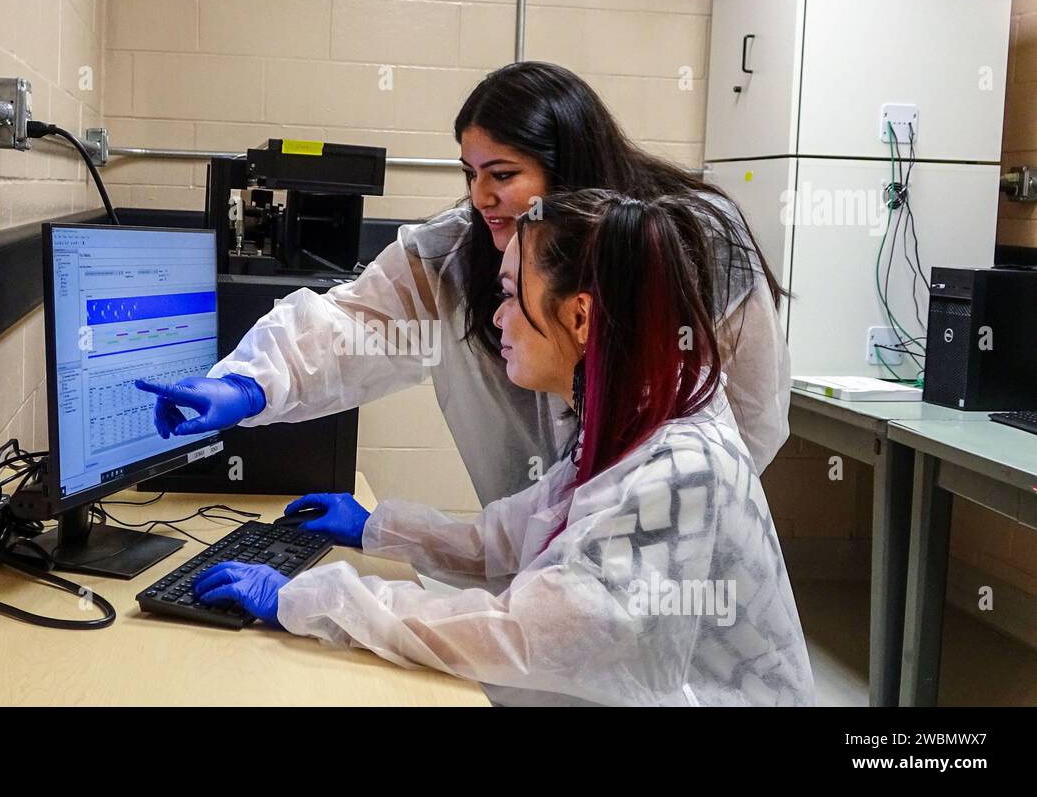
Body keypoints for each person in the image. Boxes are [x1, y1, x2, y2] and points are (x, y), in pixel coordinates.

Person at [189, 190, 815, 707]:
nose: (497, 318)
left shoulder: (678, 467)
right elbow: (514, 537)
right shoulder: (635, 416)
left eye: (512, 294)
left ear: (581, 320)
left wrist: (312, 600)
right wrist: (380, 528)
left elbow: (523, 634)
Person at [136, 62, 793, 511]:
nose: (481, 198)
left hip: (676, 553)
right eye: (469, 172)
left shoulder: (691, 241)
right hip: (540, 553)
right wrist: (250, 382)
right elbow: (353, 325)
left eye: (501, 174)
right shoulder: (465, 248)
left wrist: (659, 521)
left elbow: (755, 414)